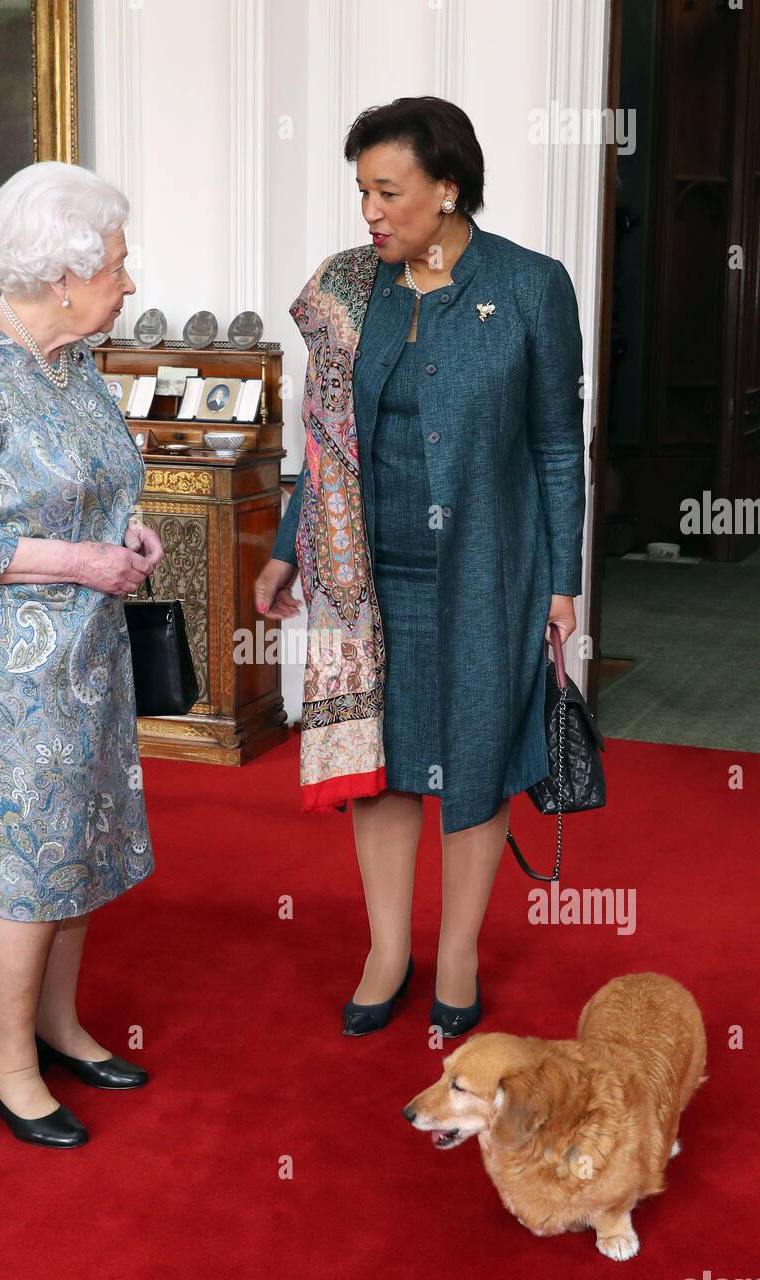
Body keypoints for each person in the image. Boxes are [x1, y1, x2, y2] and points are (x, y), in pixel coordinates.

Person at [255, 97, 586, 1039]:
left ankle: (460, 953)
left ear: (447, 188)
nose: (371, 212)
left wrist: (563, 583)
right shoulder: (352, 289)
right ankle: (387, 949)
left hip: (488, 571)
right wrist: (287, 552)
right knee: (384, 762)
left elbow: (560, 446)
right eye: (362, 191)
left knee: (474, 756)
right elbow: (326, 446)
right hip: (367, 579)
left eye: (388, 192)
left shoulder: (529, 286)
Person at [0, 161, 164, 1148]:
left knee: (77, 844)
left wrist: (127, 535)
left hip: (83, 649)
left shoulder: (73, 357)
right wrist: (78, 558)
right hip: (1, 668)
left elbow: (100, 477)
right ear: (62, 274)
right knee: (27, 862)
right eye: (117, 265)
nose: (129, 282)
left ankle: (57, 1024)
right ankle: (4, 1063)